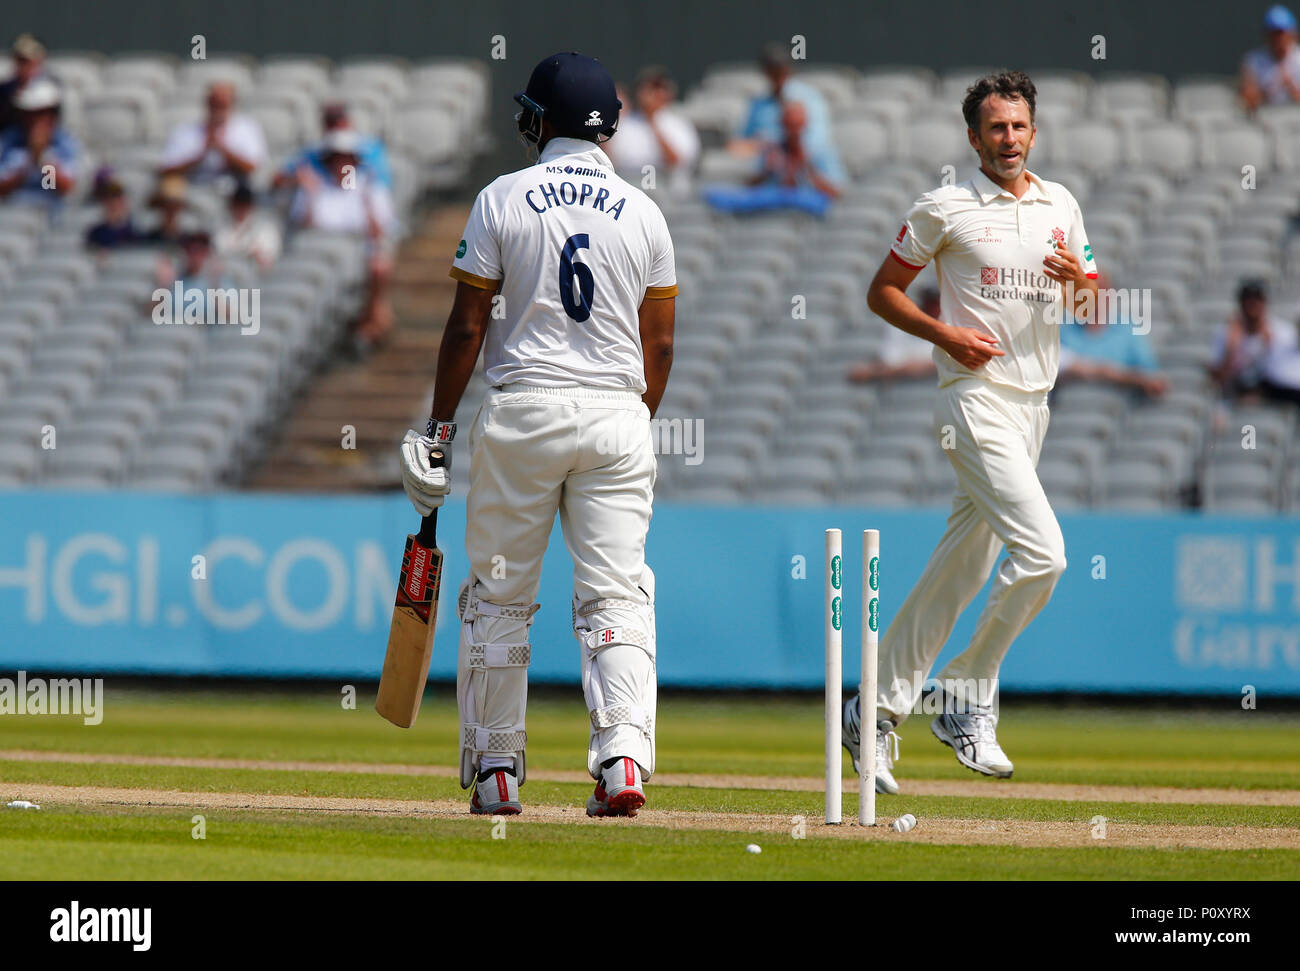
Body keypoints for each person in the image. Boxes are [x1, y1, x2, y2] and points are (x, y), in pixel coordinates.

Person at [397, 52, 675, 819]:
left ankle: (495, 771)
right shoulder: (644, 211)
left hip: (523, 410)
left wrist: (440, 429)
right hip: (619, 414)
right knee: (617, 591)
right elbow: (662, 348)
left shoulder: (501, 198)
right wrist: (627, 425)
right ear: (610, 127)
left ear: (542, 118)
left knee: (501, 597)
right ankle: (622, 760)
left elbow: (466, 326)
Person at [842, 71, 1098, 794]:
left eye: (1018, 126)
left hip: (1033, 407)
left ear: (1034, 132)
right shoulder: (947, 207)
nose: (1008, 139)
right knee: (1045, 554)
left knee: (965, 566)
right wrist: (945, 334)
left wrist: (1078, 280)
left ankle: (874, 708)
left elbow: (1096, 306)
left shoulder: (1062, 206)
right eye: (996, 128)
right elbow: (881, 291)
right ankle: (962, 693)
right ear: (973, 138)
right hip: (972, 398)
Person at [289, 128, 396, 347]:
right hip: (319, 255)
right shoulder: (315, 187)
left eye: (347, 157)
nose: (342, 163)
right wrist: (310, 193)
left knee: (379, 266)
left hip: (356, 254)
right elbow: (305, 225)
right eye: (337, 157)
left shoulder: (370, 186)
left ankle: (372, 318)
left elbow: (380, 231)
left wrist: (367, 204)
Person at [703, 99, 845, 216]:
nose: (793, 132)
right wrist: (767, 172)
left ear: (805, 125)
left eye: (796, 126)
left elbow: (836, 193)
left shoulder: (820, 153)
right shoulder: (773, 151)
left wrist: (810, 171)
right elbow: (751, 188)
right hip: (770, 216)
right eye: (788, 125)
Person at [1057, 273, 1167, 398]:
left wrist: (1118, 376)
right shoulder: (1064, 330)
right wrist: (1100, 371)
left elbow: (1153, 378)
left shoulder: (1128, 331)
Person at [729, 43, 831, 158]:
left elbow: (816, 142)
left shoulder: (810, 98)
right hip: (767, 169)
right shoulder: (758, 103)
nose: (776, 75)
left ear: (789, 68)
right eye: (771, 69)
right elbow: (740, 143)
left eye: (780, 69)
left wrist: (771, 144)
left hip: (804, 167)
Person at [609, 66, 699, 195]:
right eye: (647, 87)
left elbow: (676, 162)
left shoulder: (678, 124)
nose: (652, 93)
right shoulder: (625, 123)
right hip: (629, 191)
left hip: (669, 194)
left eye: (658, 87)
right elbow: (609, 162)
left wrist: (651, 121)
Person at [159, 82, 266, 184]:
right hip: (191, 184)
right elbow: (167, 169)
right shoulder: (185, 131)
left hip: (233, 187)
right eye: (214, 104)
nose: (217, 110)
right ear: (207, 103)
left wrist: (222, 149)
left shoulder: (247, 129)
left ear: (232, 104)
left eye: (222, 104)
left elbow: (252, 167)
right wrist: (201, 154)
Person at [1209, 279, 1298, 399]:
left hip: (1275, 395)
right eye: (1248, 299)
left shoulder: (1283, 332)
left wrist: (1269, 346)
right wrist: (1231, 348)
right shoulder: (1225, 333)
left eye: (1258, 299)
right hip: (1236, 394)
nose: (1253, 304)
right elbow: (1219, 378)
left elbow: (1286, 375)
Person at [272, 102, 392, 191]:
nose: (335, 127)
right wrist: (298, 180)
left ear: (347, 122)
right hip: (322, 210)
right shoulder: (313, 151)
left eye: (339, 121)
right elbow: (278, 179)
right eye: (330, 122)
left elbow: (381, 186)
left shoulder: (371, 149)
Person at [0, 78, 80, 209]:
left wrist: (42, 158)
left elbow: (64, 188)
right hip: (14, 212)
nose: (34, 119)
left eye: (40, 113)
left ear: (52, 114)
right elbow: (2, 188)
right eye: (29, 113)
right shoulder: (8, 141)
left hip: (48, 214)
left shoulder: (65, 144)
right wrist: (28, 163)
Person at [849, 288, 940, 382]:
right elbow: (890, 361)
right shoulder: (901, 325)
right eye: (930, 302)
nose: (934, 307)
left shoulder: (953, 326)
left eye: (937, 302)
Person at [1241, 5, 1300, 110]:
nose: (1278, 39)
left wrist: (1290, 86)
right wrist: (1271, 89)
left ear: (1292, 33)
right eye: (1273, 34)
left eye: (1281, 33)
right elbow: (1247, 101)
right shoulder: (1254, 60)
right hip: (1264, 119)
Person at [214, 181, 281, 269]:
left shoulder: (265, 227)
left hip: (256, 276)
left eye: (245, 204)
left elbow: (267, 261)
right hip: (227, 274)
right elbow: (218, 252)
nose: (241, 208)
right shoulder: (221, 225)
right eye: (238, 204)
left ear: (252, 206)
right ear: (232, 205)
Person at [0, 33, 49, 134]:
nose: (23, 66)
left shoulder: (51, 90)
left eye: (26, 61)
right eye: (20, 60)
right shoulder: (4, 90)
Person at [84, 179, 142, 253]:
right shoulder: (95, 233)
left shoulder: (134, 234)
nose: (114, 205)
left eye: (118, 201)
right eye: (110, 202)